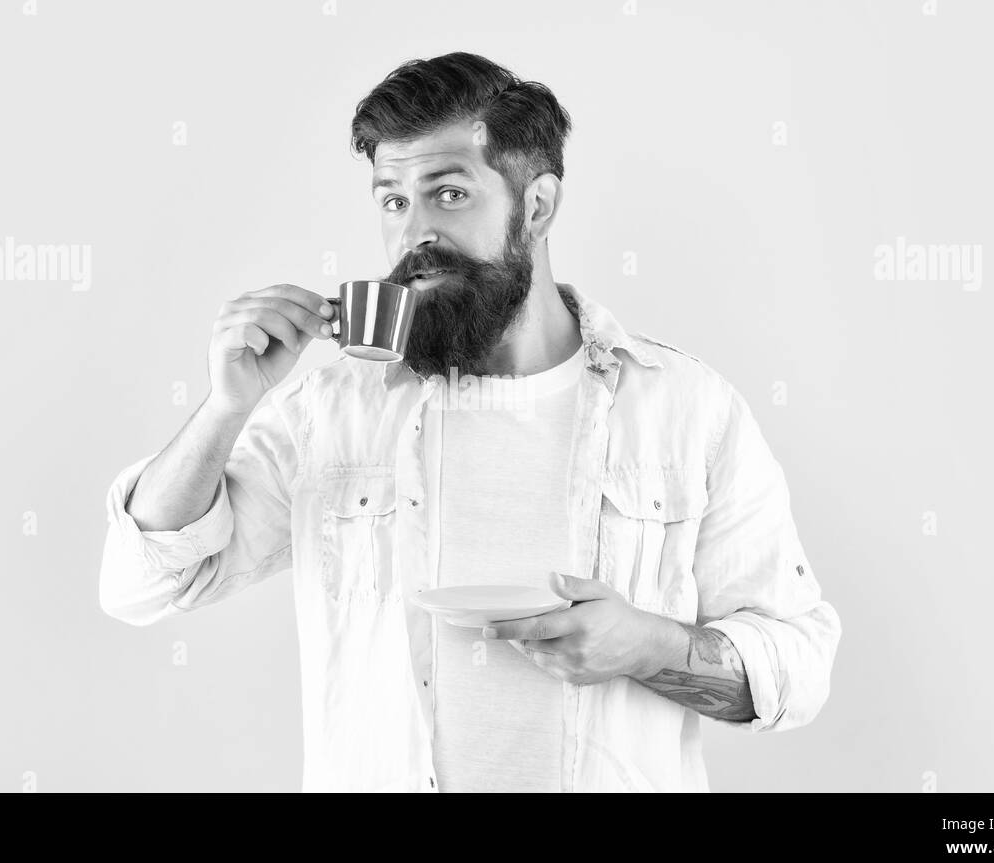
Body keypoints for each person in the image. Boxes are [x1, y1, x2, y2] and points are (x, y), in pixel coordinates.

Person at [98, 51, 841, 793]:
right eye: (393, 201)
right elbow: (143, 584)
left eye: (448, 194)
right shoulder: (331, 411)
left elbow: (798, 671)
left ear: (538, 206)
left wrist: (649, 648)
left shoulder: (685, 410)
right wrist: (228, 404)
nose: (413, 233)